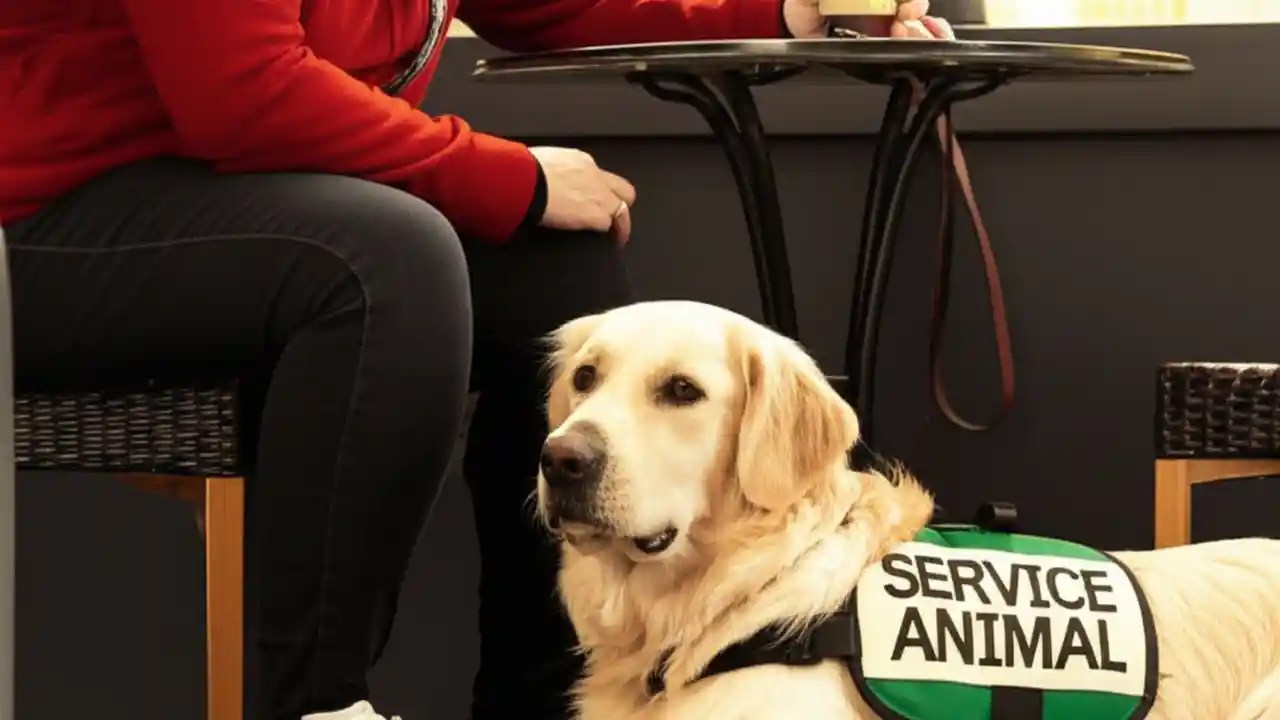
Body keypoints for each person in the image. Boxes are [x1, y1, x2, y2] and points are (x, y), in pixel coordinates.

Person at [0, 1, 951, 718]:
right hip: (37, 225)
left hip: (222, 216)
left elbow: (556, 7)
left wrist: (796, 8)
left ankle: (544, 703)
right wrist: (513, 175)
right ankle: (317, 704)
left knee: (552, 265)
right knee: (388, 259)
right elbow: (239, 93)